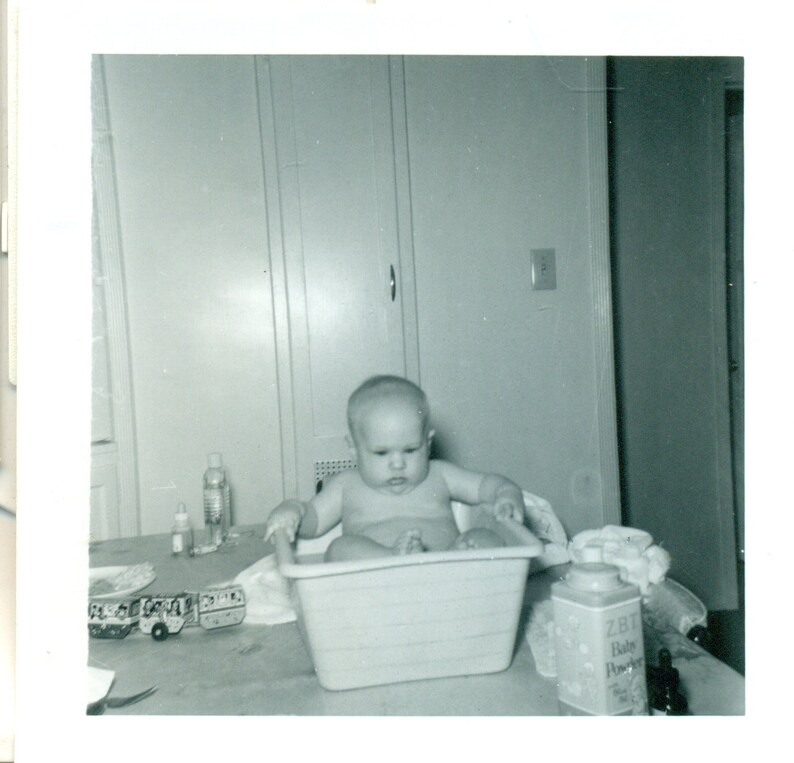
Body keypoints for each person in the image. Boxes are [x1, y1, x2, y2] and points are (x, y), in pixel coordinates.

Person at [264, 375, 527, 562]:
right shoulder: (346, 485)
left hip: (447, 567)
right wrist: (292, 510)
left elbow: (487, 486)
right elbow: (314, 521)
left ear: (428, 443)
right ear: (354, 449)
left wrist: (506, 494)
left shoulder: (440, 474)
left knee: (485, 537)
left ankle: (460, 557)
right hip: (375, 576)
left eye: (411, 450)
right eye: (381, 453)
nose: (398, 463)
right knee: (340, 548)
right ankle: (392, 558)